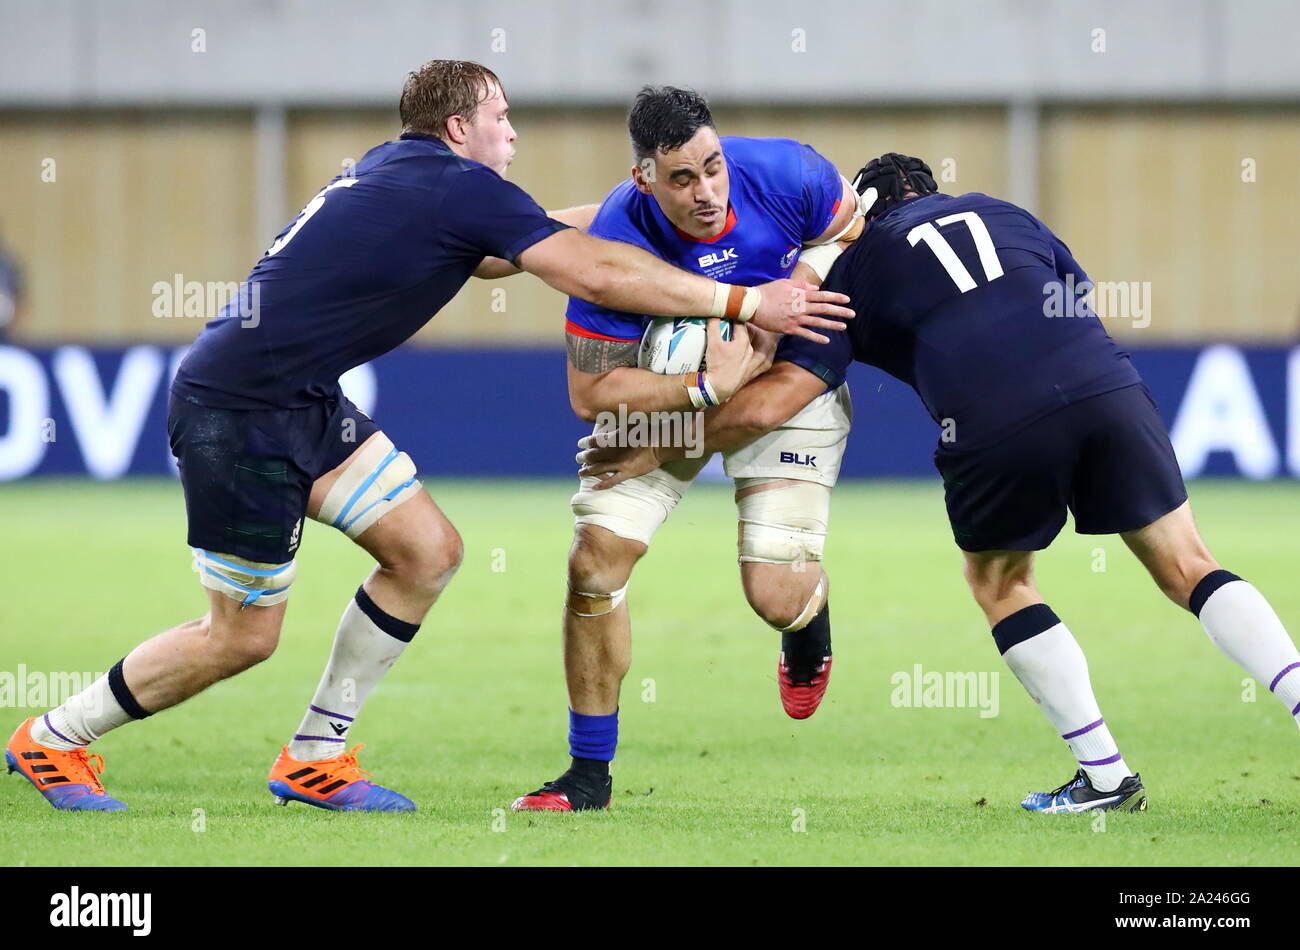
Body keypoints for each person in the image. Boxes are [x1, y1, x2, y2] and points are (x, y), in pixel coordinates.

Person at [3, 60, 851, 814]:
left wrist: (635, 217)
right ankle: (54, 736)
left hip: (297, 394)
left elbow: (503, 253)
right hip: (239, 409)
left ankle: (316, 758)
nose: (513, 134)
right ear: (459, 129)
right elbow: (586, 268)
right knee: (241, 635)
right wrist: (744, 304)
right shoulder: (458, 187)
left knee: (426, 550)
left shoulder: (403, 172)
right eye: (501, 118)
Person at [578, 153, 1300, 813]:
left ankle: (1106, 778)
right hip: (1107, 384)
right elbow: (1070, 296)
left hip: (994, 418)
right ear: (931, 190)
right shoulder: (1005, 212)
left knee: (1003, 583)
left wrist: (652, 445)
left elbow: (770, 405)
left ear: (860, 209)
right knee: (1188, 564)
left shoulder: (852, 268)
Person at [511, 87, 867, 813]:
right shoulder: (614, 248)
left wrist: (788, 297)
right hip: (677, 391)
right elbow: (590, 393)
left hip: (788, 372)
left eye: (713, 167)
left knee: (774, 594)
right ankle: (587, 776)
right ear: (644, 178)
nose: (706, 192)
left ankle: (808, 621)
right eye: (681, 178)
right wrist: (704, 387)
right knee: (593, 562)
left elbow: (850, 227)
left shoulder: (788, 172)